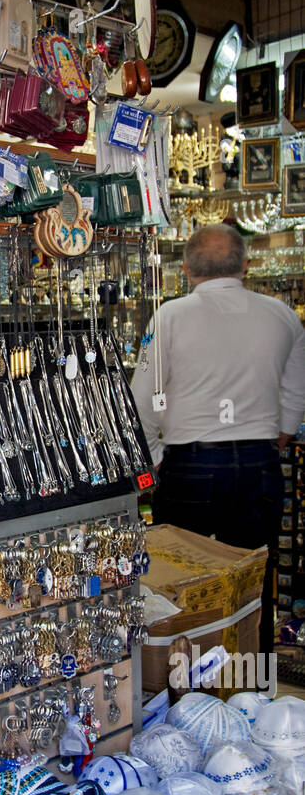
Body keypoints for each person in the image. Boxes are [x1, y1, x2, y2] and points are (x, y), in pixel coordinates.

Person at [131, 224, 305, 654]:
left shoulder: (170, 316)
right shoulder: (281, 315)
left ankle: (184, 683)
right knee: (253, 580)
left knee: (181, 580)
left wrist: (156, 458)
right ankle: (252, 680)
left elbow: (141, 401)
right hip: (258, 462)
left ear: (186, 269)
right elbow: (295, 392)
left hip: (191, 463)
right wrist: (273, 440)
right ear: (245, 265)